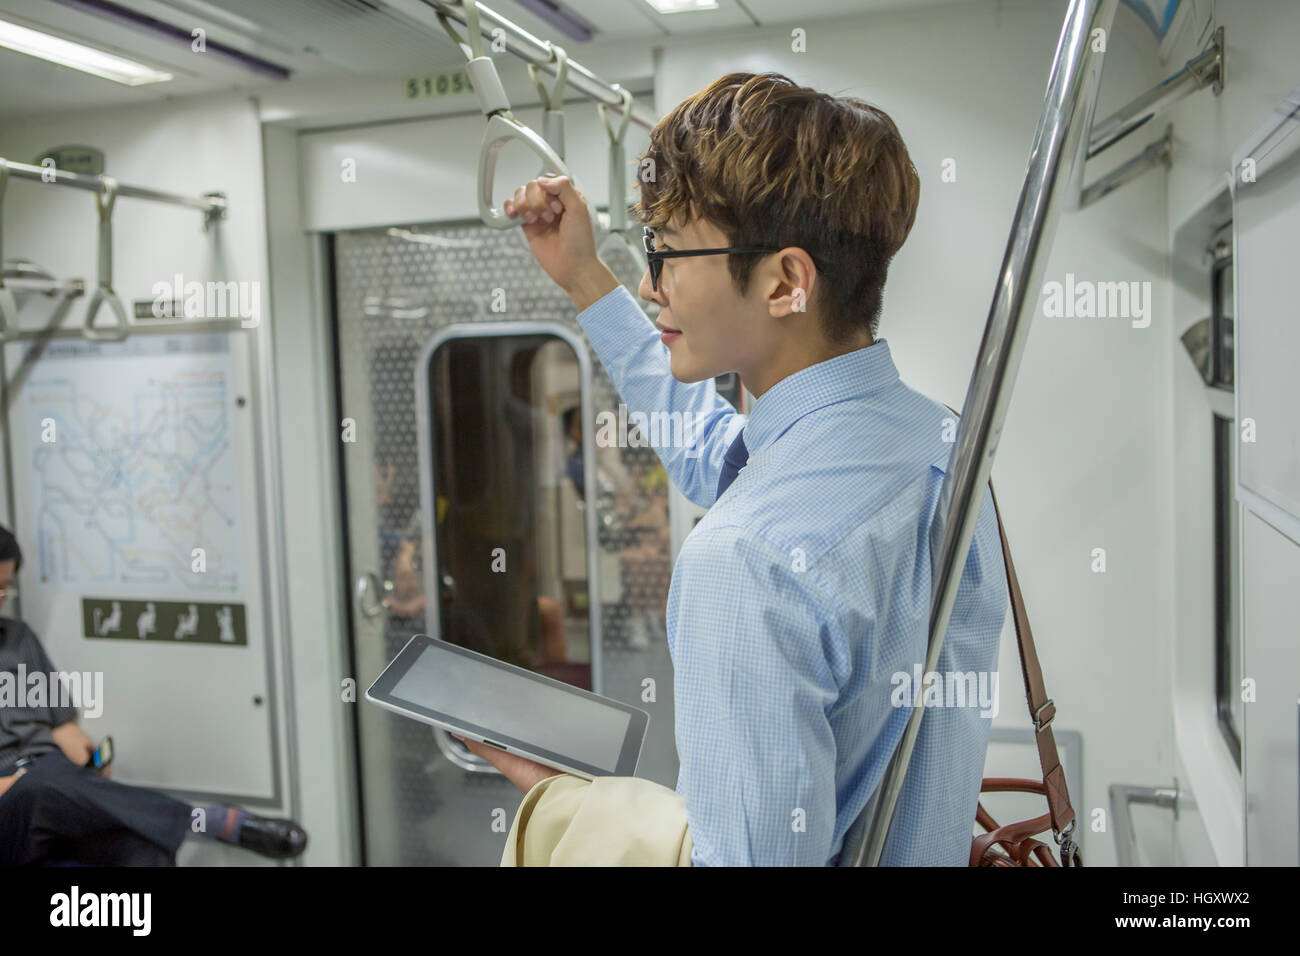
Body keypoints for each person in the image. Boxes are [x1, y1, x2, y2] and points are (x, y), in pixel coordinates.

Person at [461, 71, 1010, 866]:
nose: (651, 283)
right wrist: (586, 277)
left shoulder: (747, 560)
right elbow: (715, 454)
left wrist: (585, 812)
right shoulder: (938, 445)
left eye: (671, 254)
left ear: (787, 280)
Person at [0, 526, 308, 865]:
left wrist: (88, 767)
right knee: (39, 786)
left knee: (145, 850)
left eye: (5, 588)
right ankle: (206, 821)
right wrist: (21, 782)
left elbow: (62, 728)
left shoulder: (18, 638)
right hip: (13, 804)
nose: (1, 596)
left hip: (55, 788)